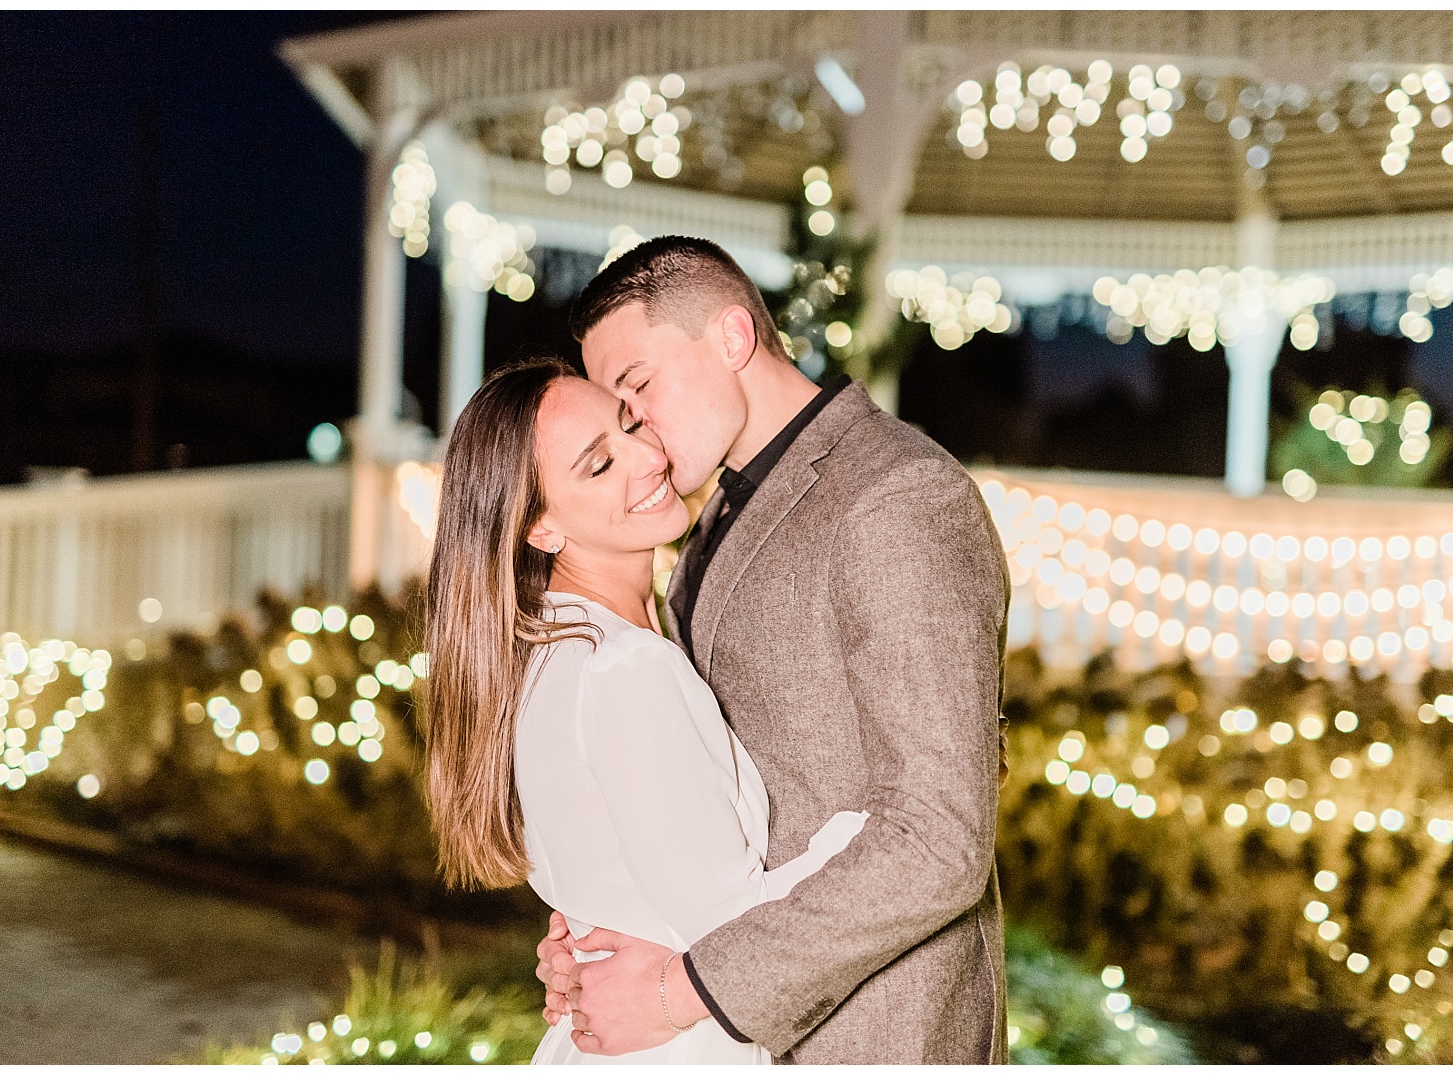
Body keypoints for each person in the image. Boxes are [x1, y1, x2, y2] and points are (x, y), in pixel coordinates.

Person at [534, 236, 1011, 1063]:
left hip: (872, 1032)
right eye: (619, 414)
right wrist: (601, 928)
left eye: (638, 387)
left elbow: (938, 837)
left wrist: (677, 989)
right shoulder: (707, 517)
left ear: (731, 337)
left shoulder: (896, 495)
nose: (639, 430)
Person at [420, 356, 869, 1064]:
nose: (646, 456)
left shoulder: (547, 653)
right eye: (599, 465)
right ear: (539, 527)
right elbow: (731, 925)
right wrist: (871, 822)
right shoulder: (623, 667)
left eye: (631, 423)